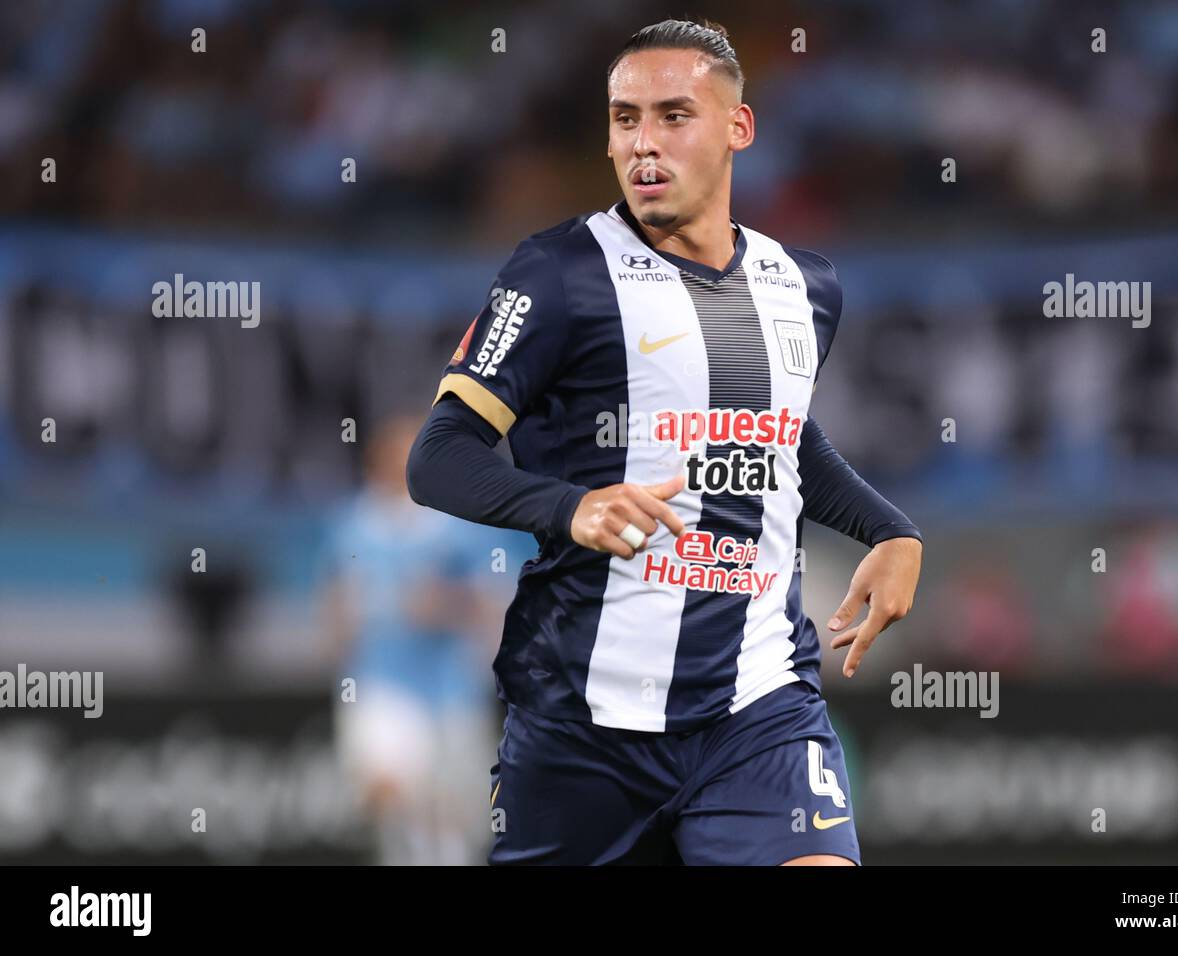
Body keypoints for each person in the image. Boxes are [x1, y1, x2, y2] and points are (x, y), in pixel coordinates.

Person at [407, 20, 923, 865]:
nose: (644, 142)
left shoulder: (805, 287)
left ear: (737, 127)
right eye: (625, 119)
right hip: (583, 723)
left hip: (758, 710)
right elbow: (438, 456)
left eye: (674, 115)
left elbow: (778, 440)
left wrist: (890, 529)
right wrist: (570, 507)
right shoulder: (557, 274)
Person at [322, 414, 502, 865]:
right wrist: (341, 652)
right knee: (387, 784)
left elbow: (491, 602)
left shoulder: (457, 521)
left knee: (451, 819)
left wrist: (446, 605)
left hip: (450, 688)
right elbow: (336, 601)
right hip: (382, 682)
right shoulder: (354, 525)